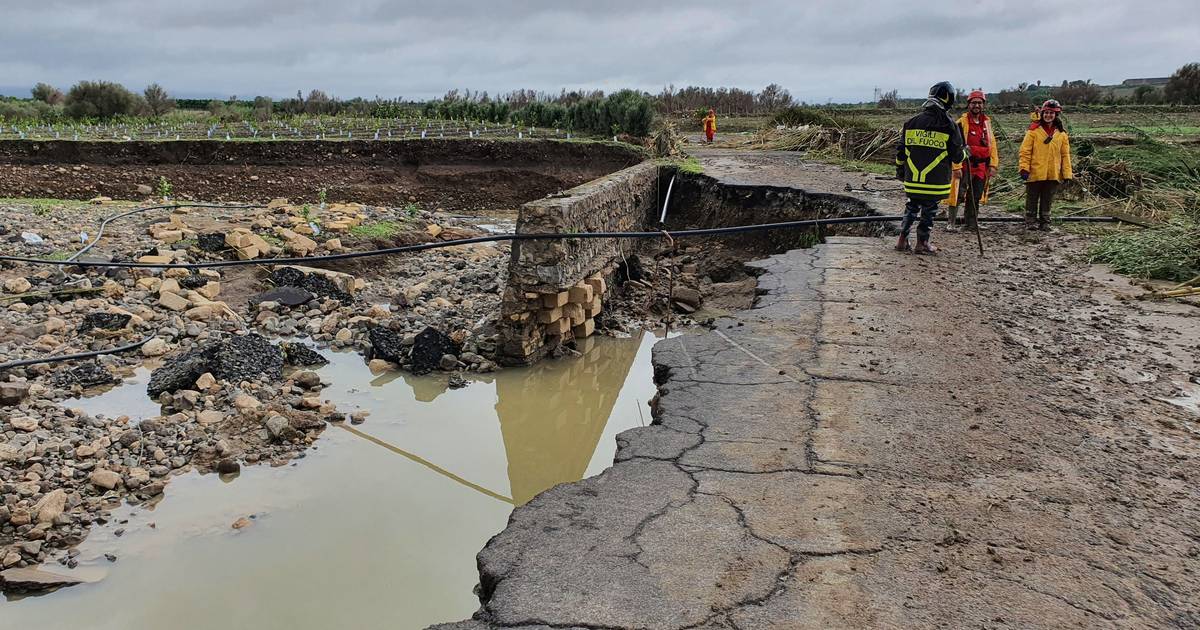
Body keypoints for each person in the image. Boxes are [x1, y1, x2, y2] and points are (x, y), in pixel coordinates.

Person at [894, 81, 966, 254]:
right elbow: (957, 155)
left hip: (912, 180)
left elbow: (901, 153)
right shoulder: (949, 125)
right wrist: (966, 153)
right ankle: (922, 243)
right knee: (929, 211)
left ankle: (902, 240)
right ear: (948, 99)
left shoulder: (911, 123)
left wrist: (900, 172)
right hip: (935, 181)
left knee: (911, 207)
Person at [944, 90, 999, 232]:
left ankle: (971, 223)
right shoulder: (960, 124)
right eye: (974, 102)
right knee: (957, 194)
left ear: (983, 105)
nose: (977, 105)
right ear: (968, 104)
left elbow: (992, 145)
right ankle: (951, 223)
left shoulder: (987, 123)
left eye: (979, 103)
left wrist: (993, 164)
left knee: (975, 195)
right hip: (964, 165)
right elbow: (954, 147)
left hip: (981, 166)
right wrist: (956, 167)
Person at [1018, 99, 1072, 231]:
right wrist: (1024, 168)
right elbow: (1025, 152)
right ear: (1042, 114)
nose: (1049, 115)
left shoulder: (1061, 134)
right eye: (1046, 112)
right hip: (1035, 172)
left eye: (1052, 113)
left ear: (1056, 115)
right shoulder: (1033, 131)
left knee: (1047, 198)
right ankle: (1030, 221)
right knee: (1032, 197)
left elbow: (1065, 155)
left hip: (1053, 172)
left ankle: (1045, 221)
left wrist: (1067, 173)